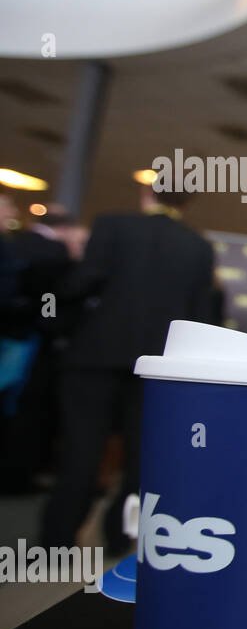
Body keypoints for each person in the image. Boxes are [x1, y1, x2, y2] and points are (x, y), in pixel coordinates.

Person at [39, 183, 215, 551]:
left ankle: (57, 542)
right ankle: (119, 536)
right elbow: (200, 318)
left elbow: (82, 283)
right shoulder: (198, 247)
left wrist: (53, 303)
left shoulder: (112, 225)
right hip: (157, 366)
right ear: (187, 203)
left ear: (147, 195)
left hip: (95, 355)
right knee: (142, 456)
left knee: (80, 451)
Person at [0, 200, 75, 492]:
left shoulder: (16, 242)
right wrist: (48, 321)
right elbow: (51, 298)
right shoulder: (54, 252)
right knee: (20, 403)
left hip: (11, 331)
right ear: (64, 228)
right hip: (25, 338)